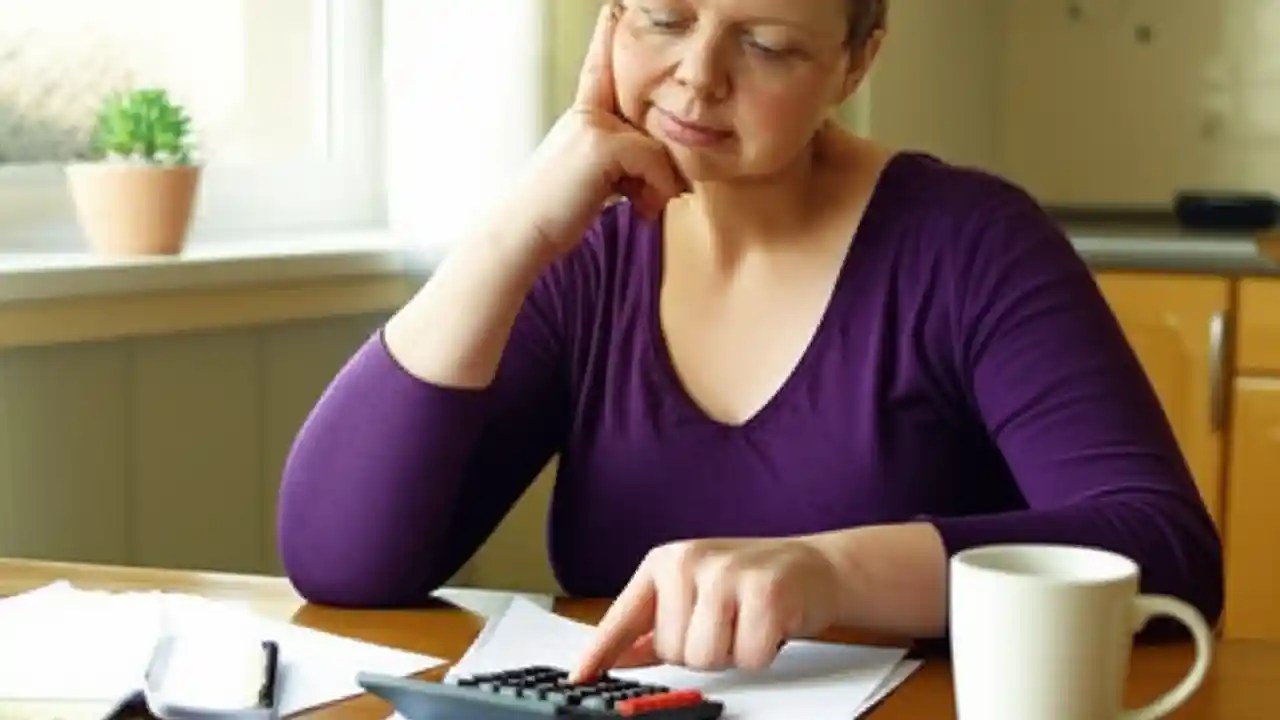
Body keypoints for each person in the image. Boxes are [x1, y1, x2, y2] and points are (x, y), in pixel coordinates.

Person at [277, 0, 1223, 681]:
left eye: (765, 45)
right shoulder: (589, 252)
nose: (697, 76)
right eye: (660, 17)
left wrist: (831, 571)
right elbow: (342, 561)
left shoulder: (969, 242)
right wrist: (515, 230)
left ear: (856, 64)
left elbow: (1163, 543)